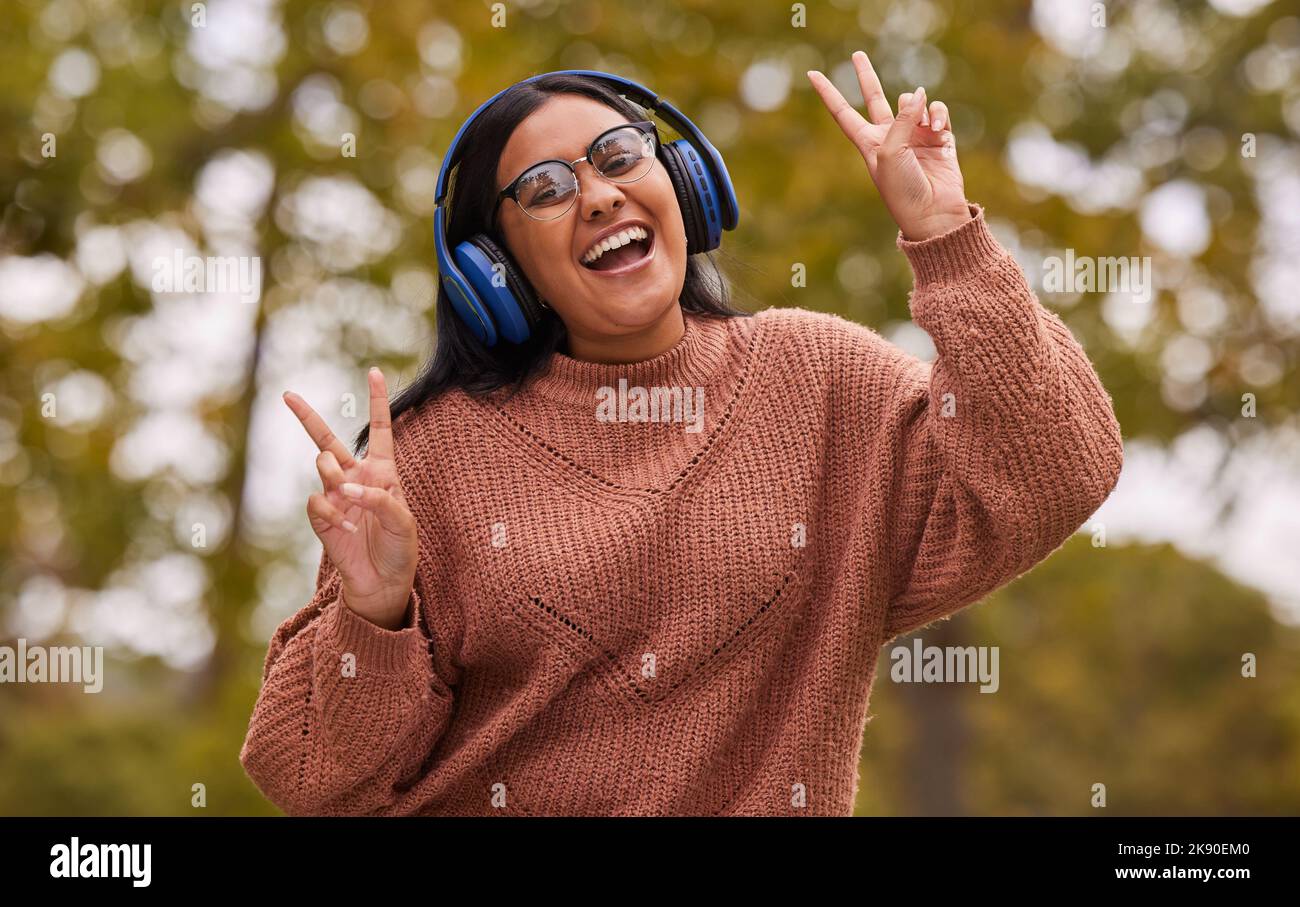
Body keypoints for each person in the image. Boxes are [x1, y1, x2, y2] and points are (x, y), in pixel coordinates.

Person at [239, 53, 1124, 816]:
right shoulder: (431, 456)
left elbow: (1060, 469)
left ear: (684, 183)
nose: (596, 194)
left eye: (617, 155)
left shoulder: (823, 380)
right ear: (497, 267)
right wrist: (374, 614)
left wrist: (944, 238)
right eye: (544, 189)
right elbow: (315, 779)